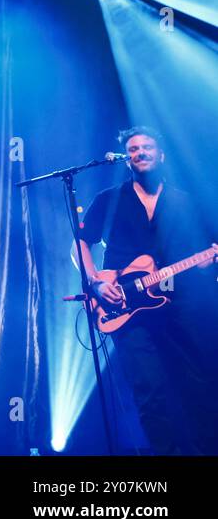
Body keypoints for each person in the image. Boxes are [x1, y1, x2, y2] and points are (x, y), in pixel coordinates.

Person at [76, 127, 218, 454]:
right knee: (150, 392)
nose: (140, 153)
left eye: (147, 147)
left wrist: (205, 263)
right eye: (134, 149)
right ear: (127, 159)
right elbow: (81, 242)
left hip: (179, 304)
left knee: (197, 384)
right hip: (125, 307)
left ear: (161, 155)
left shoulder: (184, 202)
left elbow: (199, 252)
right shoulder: (109, 200)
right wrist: (96, 281)